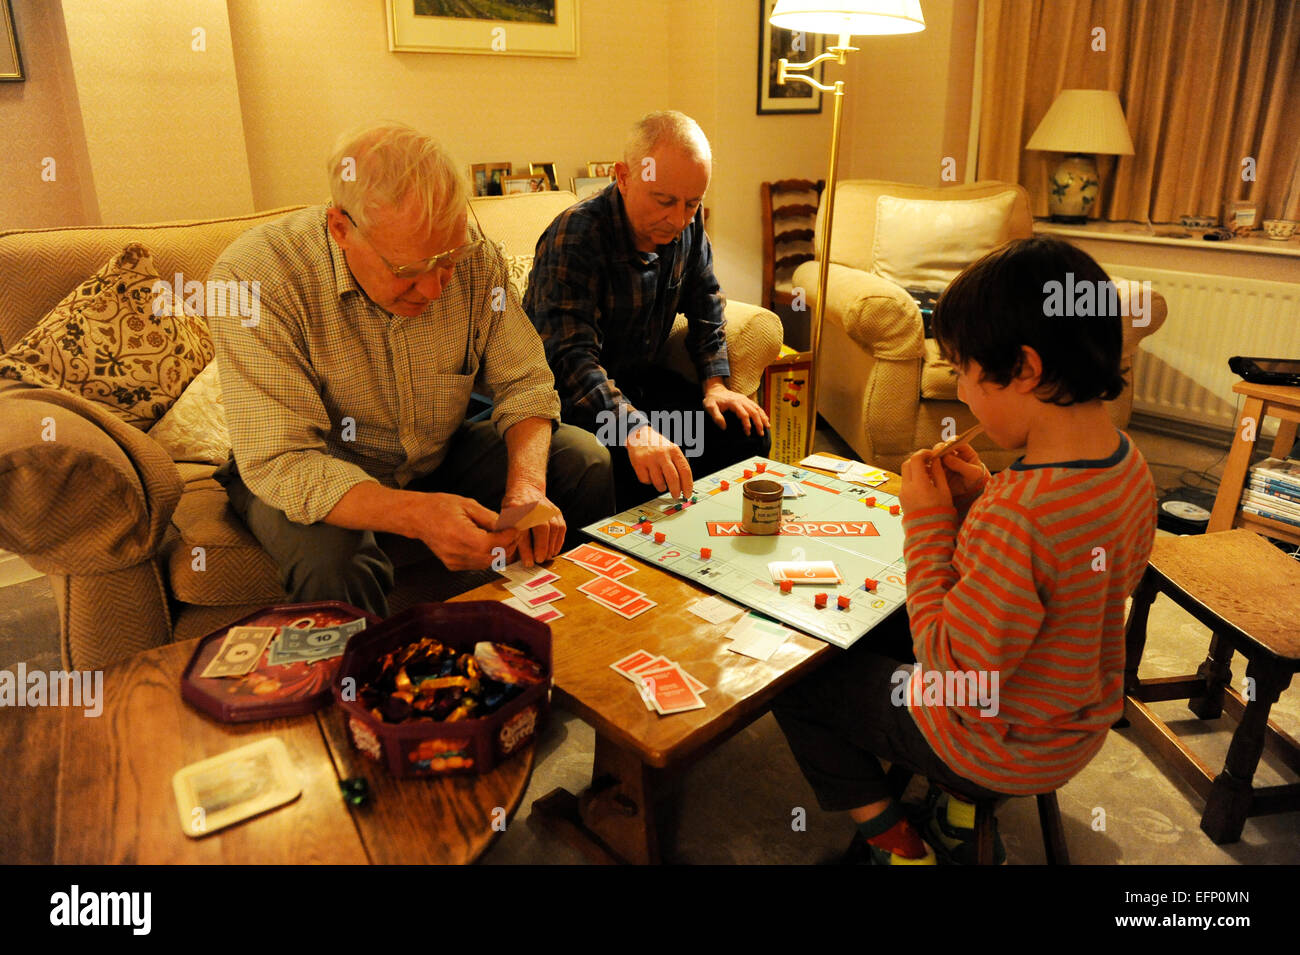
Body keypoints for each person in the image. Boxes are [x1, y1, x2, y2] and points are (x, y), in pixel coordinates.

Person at [772, 236, 1156, 864]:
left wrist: (928, 525)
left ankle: (898, 843)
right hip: (1072, 721)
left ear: (1025, 369)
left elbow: (955, 675)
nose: (965, 396)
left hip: (999, 744)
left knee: (797, 680)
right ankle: (959, 810)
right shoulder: (1127, 463)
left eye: (964, 374)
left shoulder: (1020, 513)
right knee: (877, 632)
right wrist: (981, 494)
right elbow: (1068, 587)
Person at [207, 123, 614, 618]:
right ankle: (360, 692)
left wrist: (526, 490)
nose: (436, 290)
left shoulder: (474, 258)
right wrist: (419, 515)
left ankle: (577, 638)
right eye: (407, 271)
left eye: (448, 262)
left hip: (432, 453)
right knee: (334, 563)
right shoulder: (254, 278)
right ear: (341, 228)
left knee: (583, 461)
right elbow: (285, 460)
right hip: (310, 468)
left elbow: (524, 381)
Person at [525, 110, 770, 510]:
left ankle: (702, 547)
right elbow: (570, 359)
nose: (677, 219)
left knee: (744, 431)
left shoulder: (687, 226)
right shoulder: (576, 234)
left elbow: (706, 300)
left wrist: (716, 385)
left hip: (640, 392)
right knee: (618, 463)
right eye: (664, 201)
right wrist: (632, 428)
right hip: (577, 408)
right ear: (623, 177)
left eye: (692, 203)